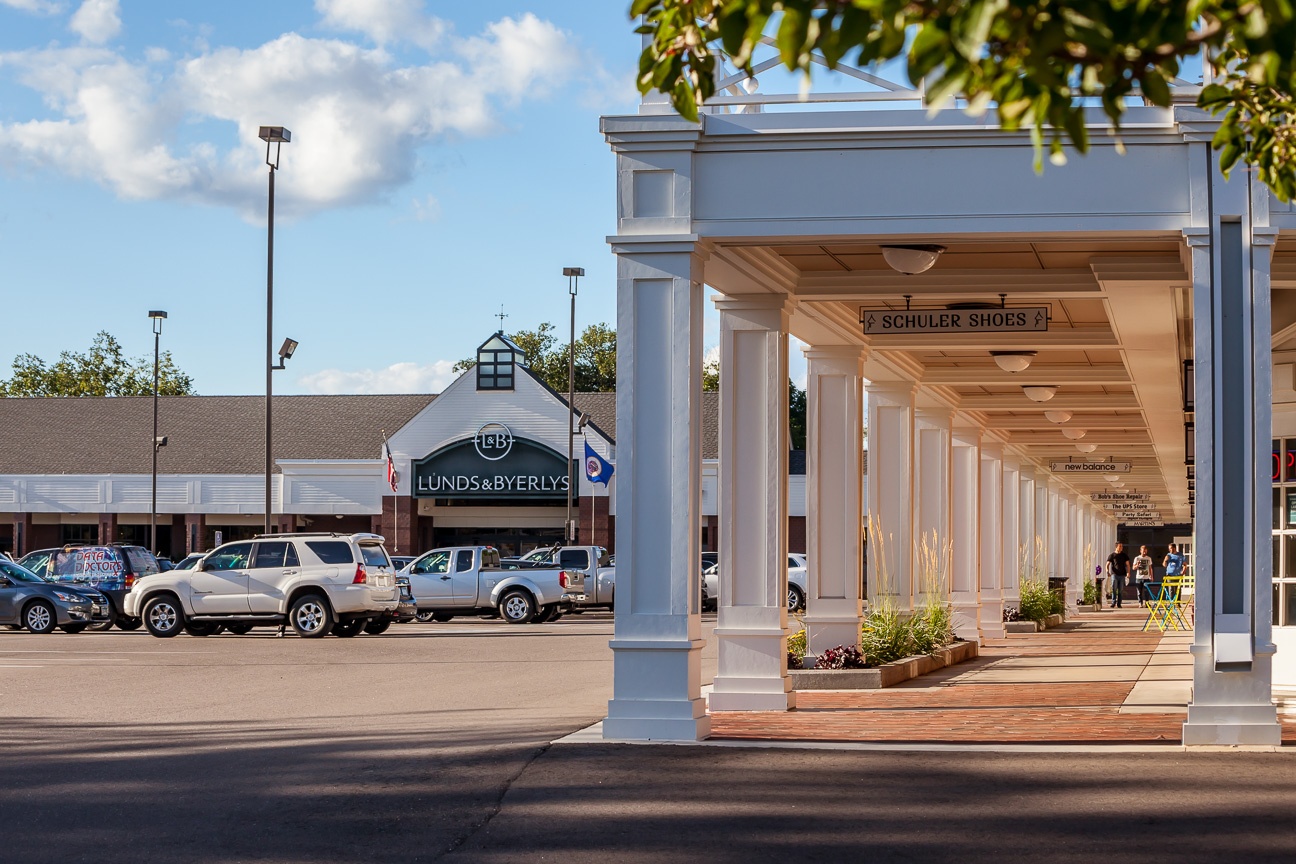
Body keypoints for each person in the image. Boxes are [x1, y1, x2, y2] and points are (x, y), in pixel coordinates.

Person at [1106, 542, 1131, 609]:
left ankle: (1119, 603)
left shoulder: (1124, 555)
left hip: (1122, 574)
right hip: (1114, 574)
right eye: (1120, 546)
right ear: (1116, 547)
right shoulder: (1112, 555)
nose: (1121, 548)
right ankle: (1113, 602)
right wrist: (1107, 571)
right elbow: (1107, 564)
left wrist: (1128, 572)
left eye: (1122, 546)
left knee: (1120, 589)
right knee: (1114, 588)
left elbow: (1128, 565)